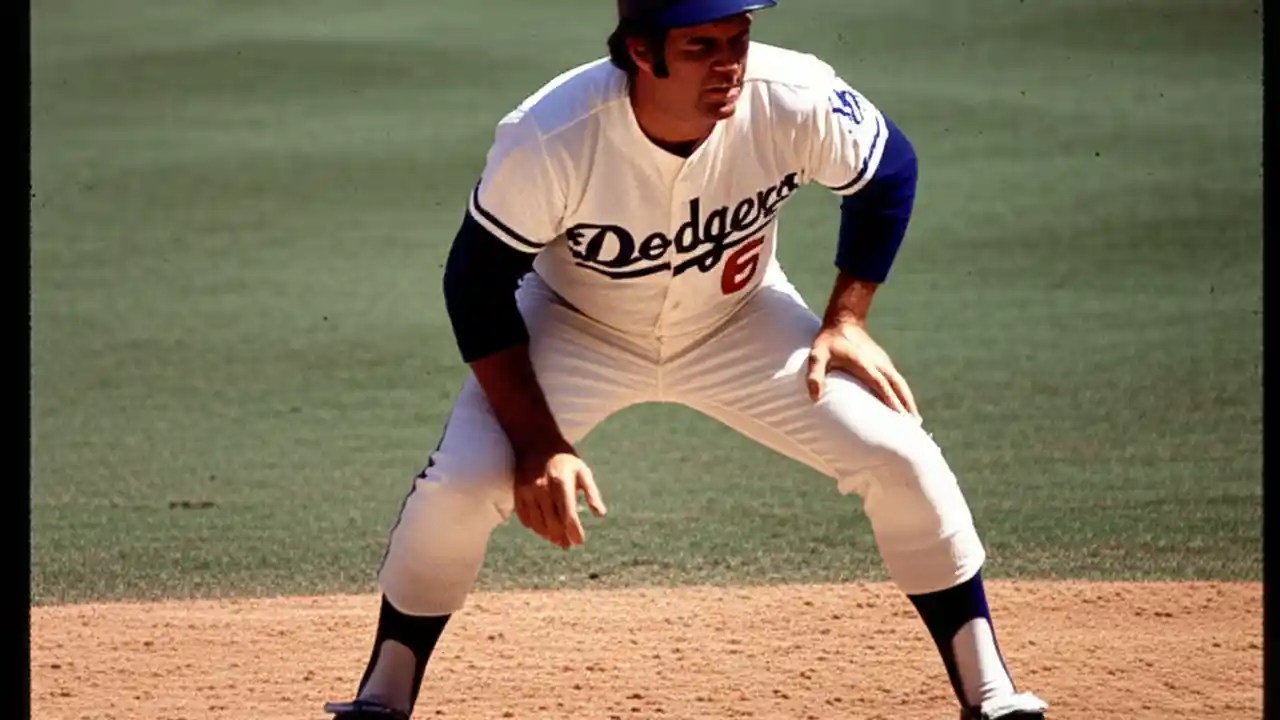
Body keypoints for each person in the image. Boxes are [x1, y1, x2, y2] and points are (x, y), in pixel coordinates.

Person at [323, 1, 1050, 718]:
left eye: (739, 37)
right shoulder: (551, 134)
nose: (730, 63)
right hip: (574, 329)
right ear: (642, 52)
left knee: (899, 455)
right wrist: (538, 443)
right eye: (702, 45)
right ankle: (383, 698)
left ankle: (990, 693)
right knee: (464, 483)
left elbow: (888, 169)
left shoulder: (791, 96)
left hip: (740, 321)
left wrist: (847, 318)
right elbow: (475, 284)